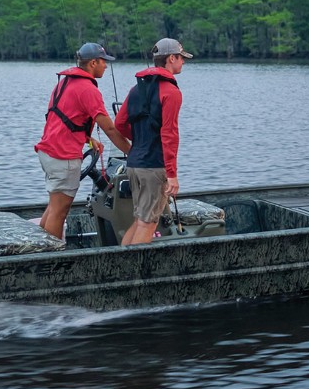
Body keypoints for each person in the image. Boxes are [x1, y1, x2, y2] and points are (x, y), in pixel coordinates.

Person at [35, 42, 132, 240]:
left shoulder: (64, 83)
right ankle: (52, 254)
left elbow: (64, 119)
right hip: (63, 156)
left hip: (48, 152)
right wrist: (133, 153)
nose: (106, 66)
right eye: (103, 61)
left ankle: (41, 247)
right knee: (60, 212)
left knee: (54, 207)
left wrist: (88, 139)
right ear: (93, 63)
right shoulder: (88, 89)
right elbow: (110, 129)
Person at [113, 37, 192, 245]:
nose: (183, 61)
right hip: (154, 166)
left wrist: (140, 140)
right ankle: (135, 265)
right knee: (148, 223)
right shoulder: (172, 92)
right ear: (171, 58)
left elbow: (119, 123)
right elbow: (170, 134)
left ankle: (121, 261)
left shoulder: (135, 89)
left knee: (140, 220)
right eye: (181, 57)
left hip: (134, 164)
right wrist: (172, 175)